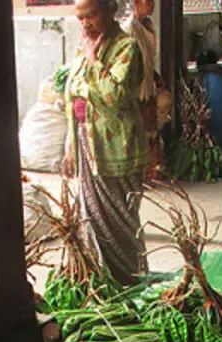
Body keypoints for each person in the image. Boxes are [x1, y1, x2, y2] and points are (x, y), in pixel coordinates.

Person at [64, 0, 150, 286]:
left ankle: (131, 282)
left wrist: (91, 64)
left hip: (117, 149)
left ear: (109, 11)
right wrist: (70, 145)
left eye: (92, 15)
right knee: (92, 219)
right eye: (80, 18)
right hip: (86, 143)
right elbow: (71, 92)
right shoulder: (84, 45)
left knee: (121, 222)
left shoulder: (126, 47)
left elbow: (113, 96)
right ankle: (103, 283)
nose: (86, 23)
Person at [121, 0, 169, 178]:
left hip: (147, 88)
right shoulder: (129, 29)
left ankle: (149, 174)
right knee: (138, 132)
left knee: (151, 131)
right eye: (147, 1)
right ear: (135, 2)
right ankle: (137, 176)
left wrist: (156, 78)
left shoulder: (147, 26)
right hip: (135, 90)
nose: (152, 4)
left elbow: (148, 60)